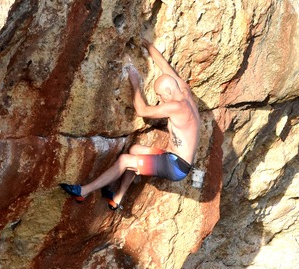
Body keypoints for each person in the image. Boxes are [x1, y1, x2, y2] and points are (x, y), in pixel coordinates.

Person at [59, 40, 200, 210]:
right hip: (175, 159)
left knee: (125, 160)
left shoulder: (176, 106)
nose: (160, 99)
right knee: (135, 151)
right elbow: (165, 67)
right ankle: (117, 198)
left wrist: (135, 82)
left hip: (175, 166)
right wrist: (147, 44)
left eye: (161, 96)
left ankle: (84, 191)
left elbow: (142, 110)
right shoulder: (184, 91)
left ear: (169, 92)